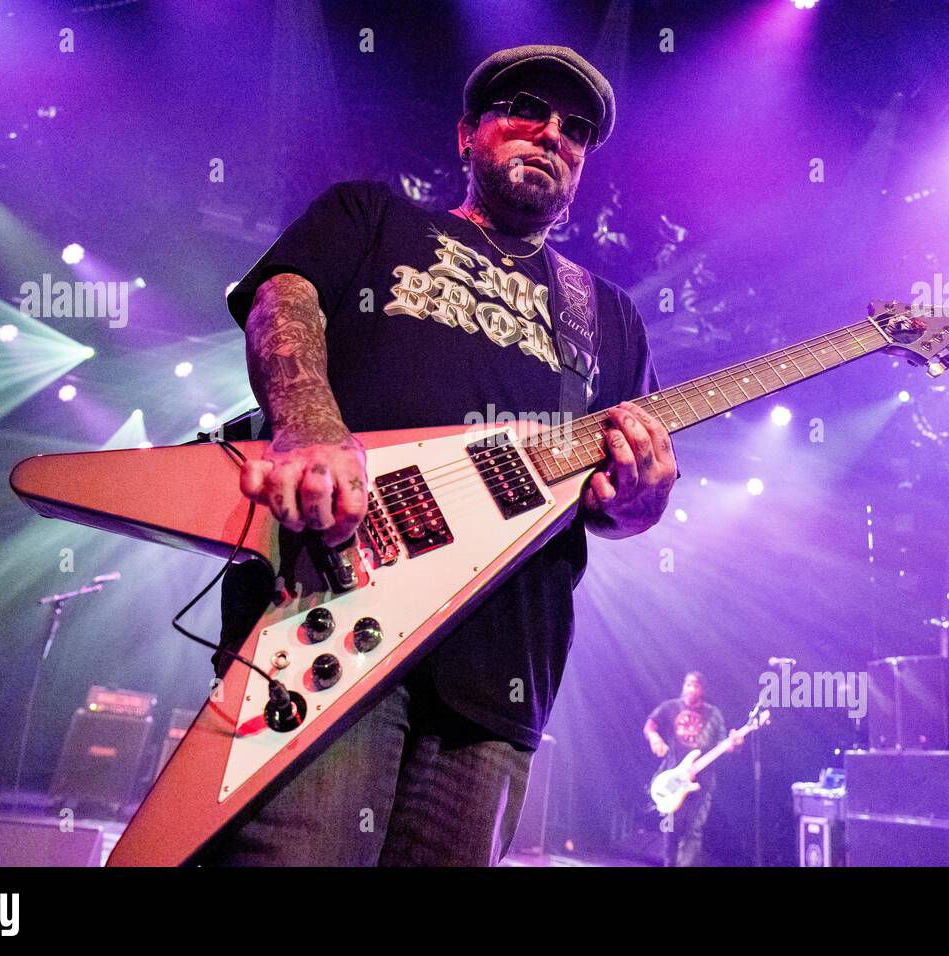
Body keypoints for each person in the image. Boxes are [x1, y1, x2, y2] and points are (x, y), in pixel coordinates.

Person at [202, 45, 678, 866]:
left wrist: (643, 499)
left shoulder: (607, 317)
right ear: (467, 135)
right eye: (526, 107)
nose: (552, 132)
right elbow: (283, 296)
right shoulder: (373, 218)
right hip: (330, 608)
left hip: (502, 672)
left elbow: (619, 502)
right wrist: (311, 425)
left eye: (576, 129)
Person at [644, 671, 733, 866]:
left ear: (702, 690)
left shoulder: (713, 714)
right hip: (672, 778)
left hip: (702, 784)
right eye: (688, 684)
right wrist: (655, 738)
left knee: (693, 831)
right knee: (670, 830)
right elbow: (651, 724)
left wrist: (734, 743)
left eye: (695, 685)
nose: (691, 689)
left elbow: (724, 743)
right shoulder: (671, 708)